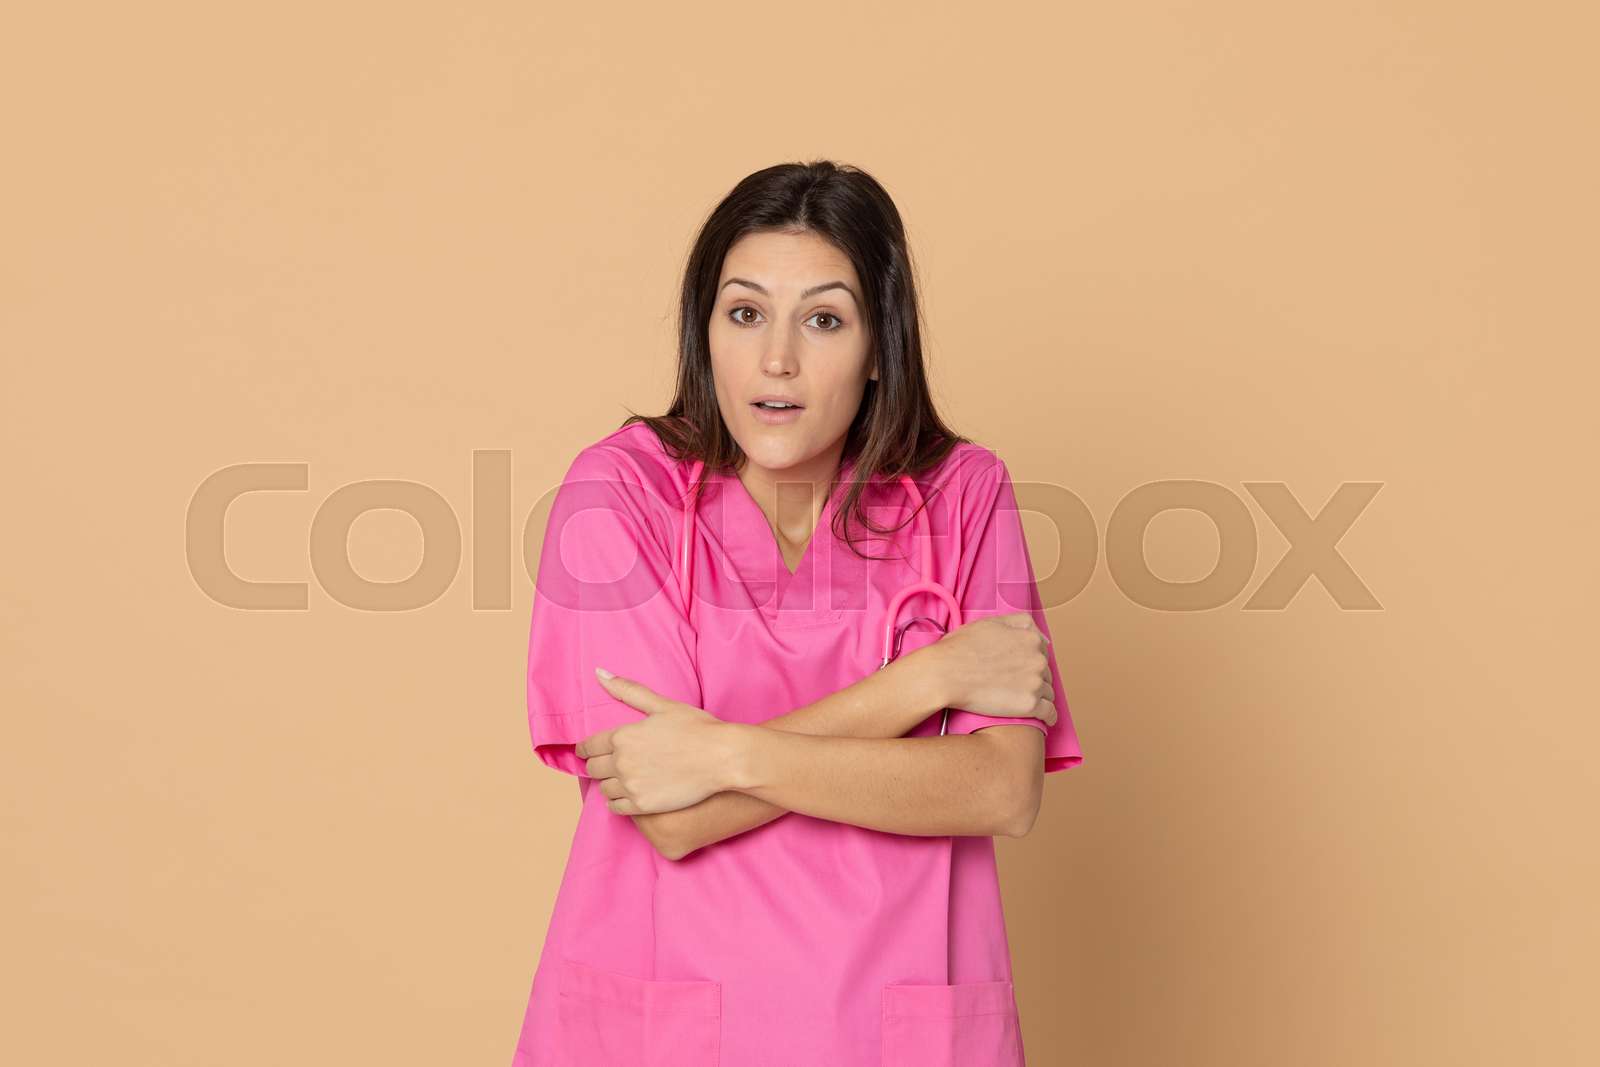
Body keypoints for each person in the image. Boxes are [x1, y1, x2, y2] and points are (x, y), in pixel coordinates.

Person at [511, 160, 1083, 1067]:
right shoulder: (620, 495)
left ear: (880, 346)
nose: (776, 359)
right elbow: (671, 811)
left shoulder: (964, 495)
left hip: (892, 1021)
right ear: (706, 335)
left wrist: (728, 752)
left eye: (823, 318)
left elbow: (1003, 790)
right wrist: (924, 681)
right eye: (745, 314)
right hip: (670, 1023)